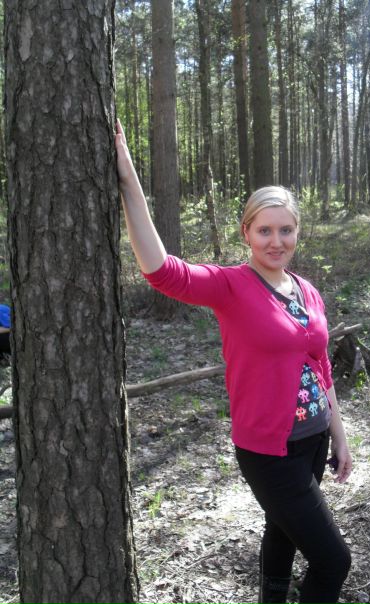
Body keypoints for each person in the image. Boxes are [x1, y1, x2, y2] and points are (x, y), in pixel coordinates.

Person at [116, 120, 352, 604]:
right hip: (269, 452)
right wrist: (128, 180)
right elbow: (162, 271)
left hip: (314, 440)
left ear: (297, 232)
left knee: (282, 533)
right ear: (247, 233)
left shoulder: (307, 290)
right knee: (333, 561)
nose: (276, 241)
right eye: (264, 230)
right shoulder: (231, 286)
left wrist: (340, 437)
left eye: (285, 230)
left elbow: (321, 366)